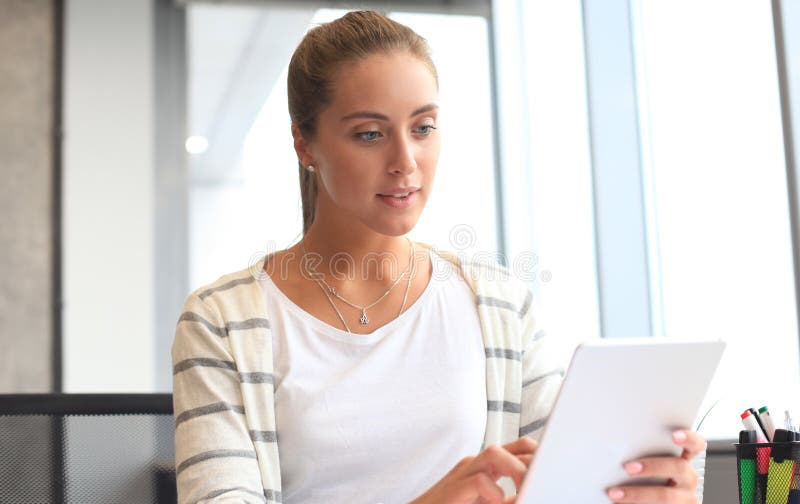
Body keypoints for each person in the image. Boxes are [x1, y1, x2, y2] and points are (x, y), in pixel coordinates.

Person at [172, 10, 706, 504]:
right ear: (304, 144)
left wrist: (646, 489)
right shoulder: (222, 321)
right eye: (370, 134)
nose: (406, 162)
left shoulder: (499, 305)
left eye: (423, 127)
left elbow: (566, 484)